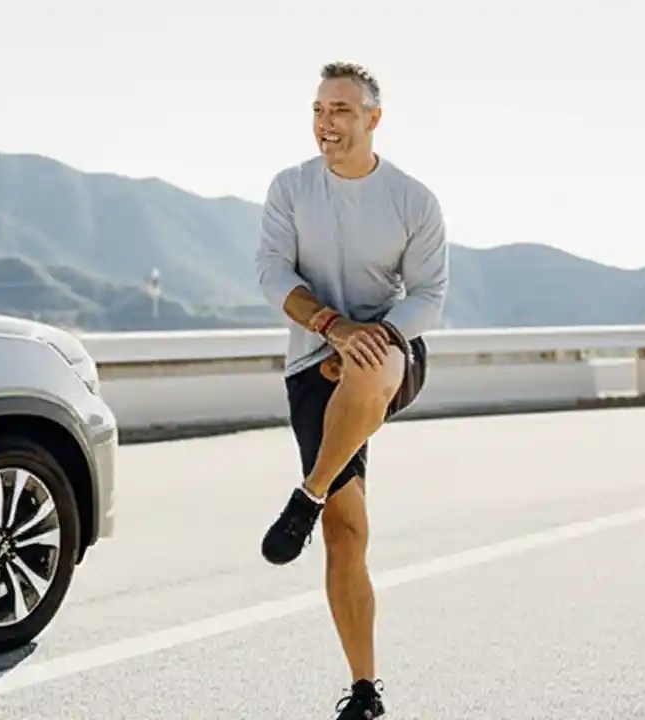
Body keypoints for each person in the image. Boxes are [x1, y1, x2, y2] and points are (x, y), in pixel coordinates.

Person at [253, 61, 449, 719]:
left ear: (373, 118)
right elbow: (272, 272)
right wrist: (331, 329)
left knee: (370, 361)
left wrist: (372, 335)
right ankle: (365, 692)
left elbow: (428, 296)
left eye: (340, 110)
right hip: (313, 361)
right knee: (345, 532)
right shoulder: (291, 188)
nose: (326, 123)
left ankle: (305, 495)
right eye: (318, 110)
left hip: (392, 350)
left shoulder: (412, 200)